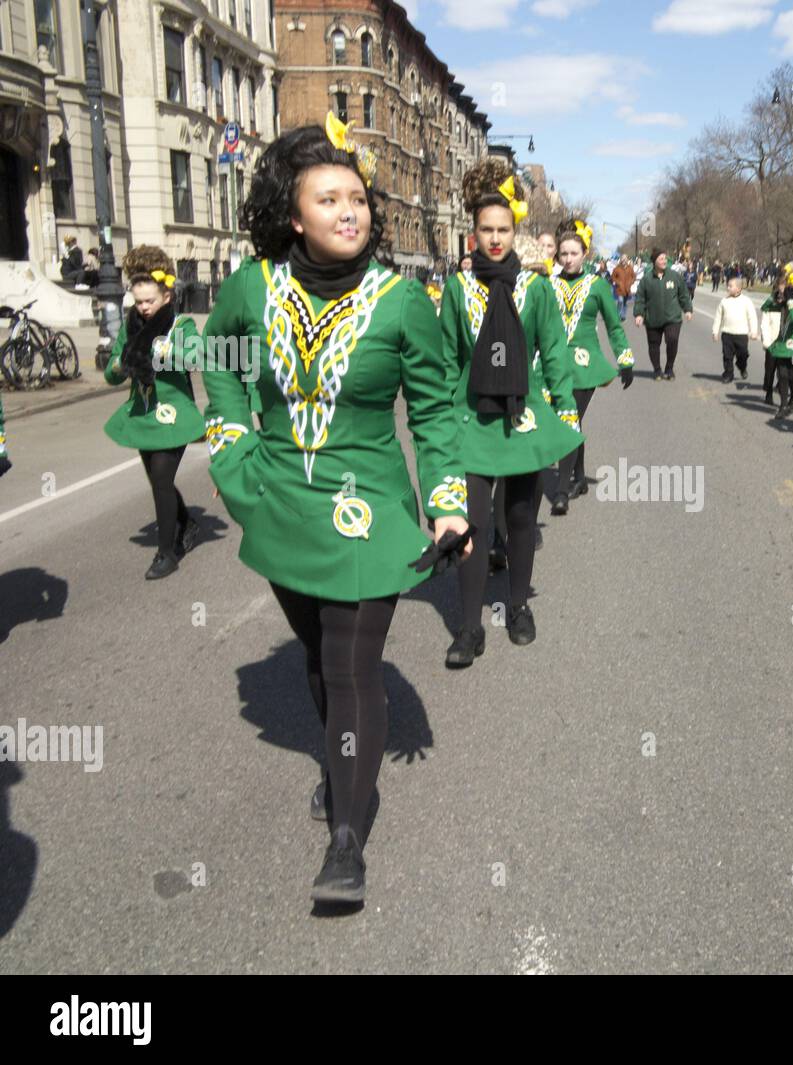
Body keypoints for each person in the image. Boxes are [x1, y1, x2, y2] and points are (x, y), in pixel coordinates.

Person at [201, 116, 467, 904]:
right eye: (330, 198)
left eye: (358, 198)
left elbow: (436, 411)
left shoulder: (403, 301)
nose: (351, 211)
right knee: (318, 660)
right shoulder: (252, 286)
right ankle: (340, 755)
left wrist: (448, 504)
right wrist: (231, 454)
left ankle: (347, 836)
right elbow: (219, 364)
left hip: (367, 509)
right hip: (279, 503)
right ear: (294, 213)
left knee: (353, 666)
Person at [440, 157, 582, 665]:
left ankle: (518, 606)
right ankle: (470, 627)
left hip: (523, 420)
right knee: (471, 526)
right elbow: (446, 360)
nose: (495, 238)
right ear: (472, 233)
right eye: (486, 229)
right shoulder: (457, 290)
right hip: (472, 423)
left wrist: (566, 409)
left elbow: (556, 351)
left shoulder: (537, 287)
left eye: (503, 229)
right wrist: (440, 420)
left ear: (514, 228)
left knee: (521, 518)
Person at [103, 246, 204, 579]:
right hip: (142, 413)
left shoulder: (181, 324)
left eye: (149, 301)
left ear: (166, 296)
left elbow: (195, 356)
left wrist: (165, 350)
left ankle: (166, 553)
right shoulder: (130, 329)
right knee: (159, 482)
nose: (143, 308)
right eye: (139, 301)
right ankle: (187, 523)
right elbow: (111, 374)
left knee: (162, 479)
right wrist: (120, 364)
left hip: (173, 414)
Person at [549, 217, 634, 515]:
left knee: (568, 420)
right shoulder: (548, 284)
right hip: (554, 364)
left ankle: (561, 491)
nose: (568, 258)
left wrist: (625, 359)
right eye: (564, 254)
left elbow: (613, 325)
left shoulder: (597, 286)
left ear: (584, 254)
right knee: (570, 422)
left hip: (585, 366)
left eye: (574, 253)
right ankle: (580, 477)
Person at [633, 248, 693, 380]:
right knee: (654, 344)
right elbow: (640, 298)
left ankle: (669, 368)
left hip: (672, 317)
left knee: (672, 339)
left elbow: (683, 294)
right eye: (661, 258)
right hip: (653, 318)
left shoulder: (674, 276)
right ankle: (657, 369)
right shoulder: (646, 279)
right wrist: (639, 314)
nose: (664, 261)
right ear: (654, 261)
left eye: (665, 258)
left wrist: (687, 309)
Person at [761, 262, 793, 419]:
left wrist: (790, 300)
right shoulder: (782, 301)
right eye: (782, 285)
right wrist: (775, 297)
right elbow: (765, 307)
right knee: (782, 374)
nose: (783, 288)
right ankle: (783, 405)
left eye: (786, 285)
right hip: (781, 343)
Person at [712, 275, 759, 384]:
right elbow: (718, 317)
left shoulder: (746, 301)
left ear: (738, 288)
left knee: (743, 354)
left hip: (741, 334)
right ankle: (728, 373)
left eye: (730, 286)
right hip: (727, 333)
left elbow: (752, 317)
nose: (728, 288)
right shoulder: (724, 301)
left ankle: (742, 367)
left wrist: (754, 331)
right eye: (727, 286)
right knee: (727, 355)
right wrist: (715, 331)